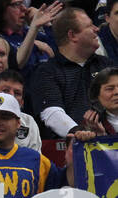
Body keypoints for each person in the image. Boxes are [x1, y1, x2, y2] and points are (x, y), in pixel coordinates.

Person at [33, 7, 108, 138]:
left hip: (110, 144)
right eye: (89, 26)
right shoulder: (47, 71)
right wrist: (79, 132)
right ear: (72, 35)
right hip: (66, 149)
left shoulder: (107, 66)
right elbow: (51, 112)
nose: (97, 29)